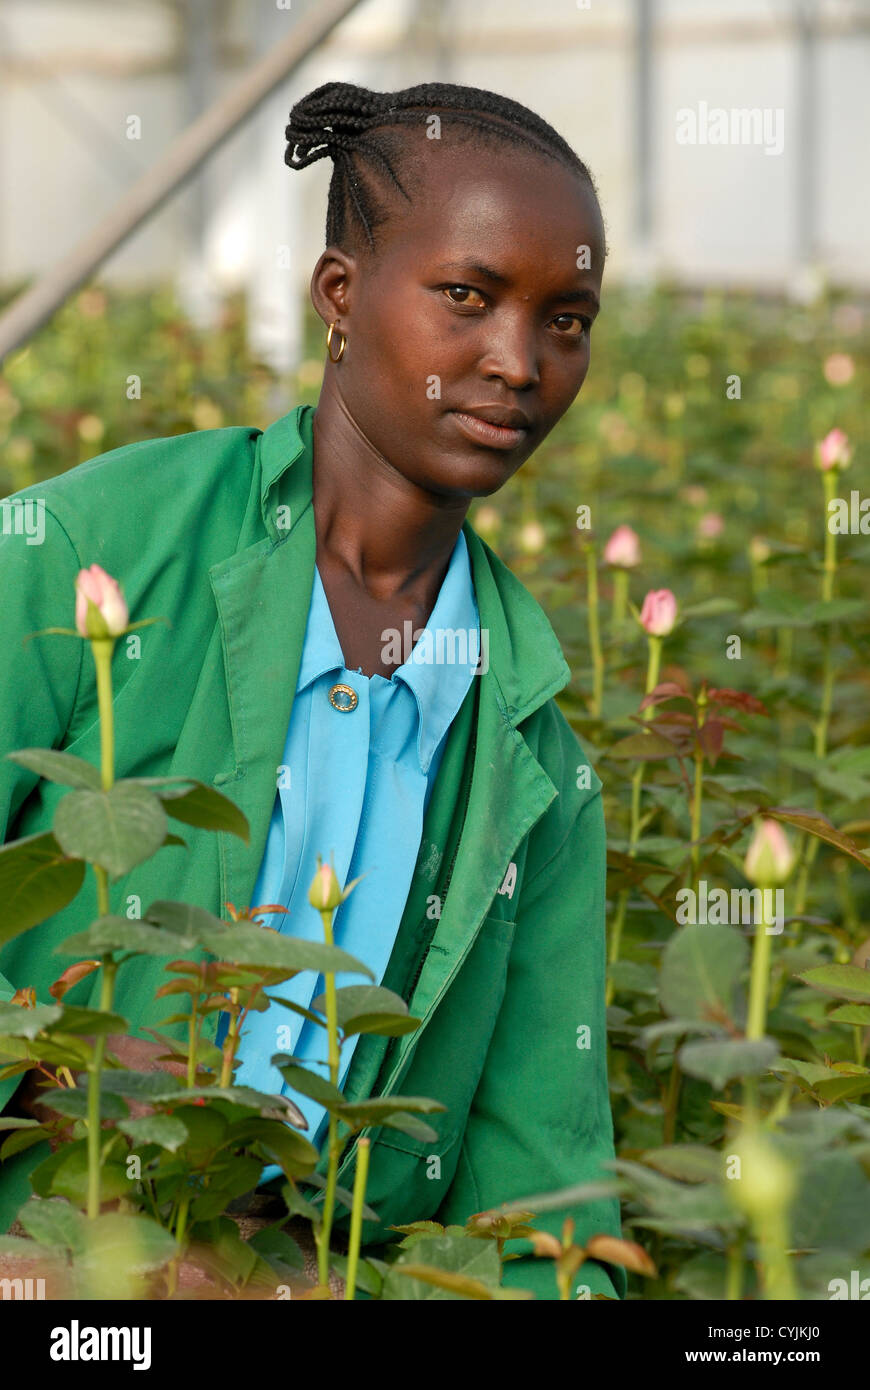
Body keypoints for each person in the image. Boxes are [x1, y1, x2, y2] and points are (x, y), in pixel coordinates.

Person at [0, 81, 625, 1300]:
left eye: (568, 318)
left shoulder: (532, 747)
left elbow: (543, 1199)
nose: (519, 361)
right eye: (469, 295)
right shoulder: (94, 549)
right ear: (340, 296)